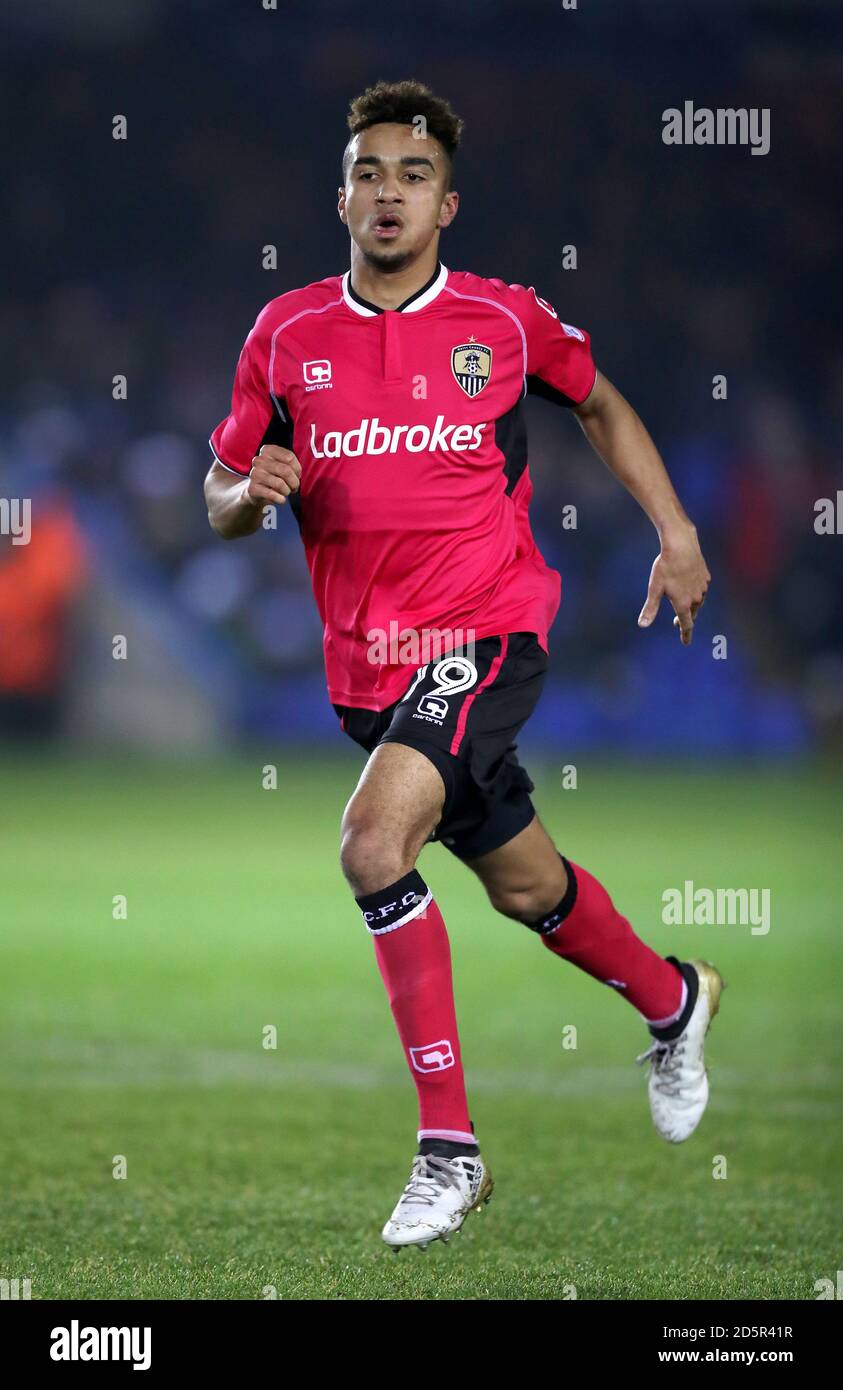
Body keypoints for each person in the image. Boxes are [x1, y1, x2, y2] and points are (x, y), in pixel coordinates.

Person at [204, 80, 721, 1251]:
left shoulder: (502, 319)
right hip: (368, 673)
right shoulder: (286, 335)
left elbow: (602, 406)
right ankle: (676, 998)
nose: (390, 192)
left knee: (371, 843)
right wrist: (247, 494)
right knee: (527, 888)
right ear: (341, 198)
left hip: (486, 631)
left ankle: (451, 1151)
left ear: (447, 203)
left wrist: (676, 532)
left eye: (415, 174)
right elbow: (221, 492)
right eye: (370, 173)